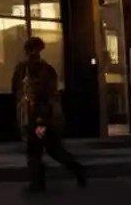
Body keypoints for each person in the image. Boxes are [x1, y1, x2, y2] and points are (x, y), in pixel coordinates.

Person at [12, 36, 87, 193]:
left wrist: (41, 117)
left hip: (40, 118)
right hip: (34, 116)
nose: (32, 53)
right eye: (30, 50)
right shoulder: (25, 69)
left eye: (34, 50)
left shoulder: (43, 71)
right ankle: (77, 170)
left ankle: (38, 183)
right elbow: (18, 91)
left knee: (35, 149)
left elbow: (47, 94)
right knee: (52, 149)